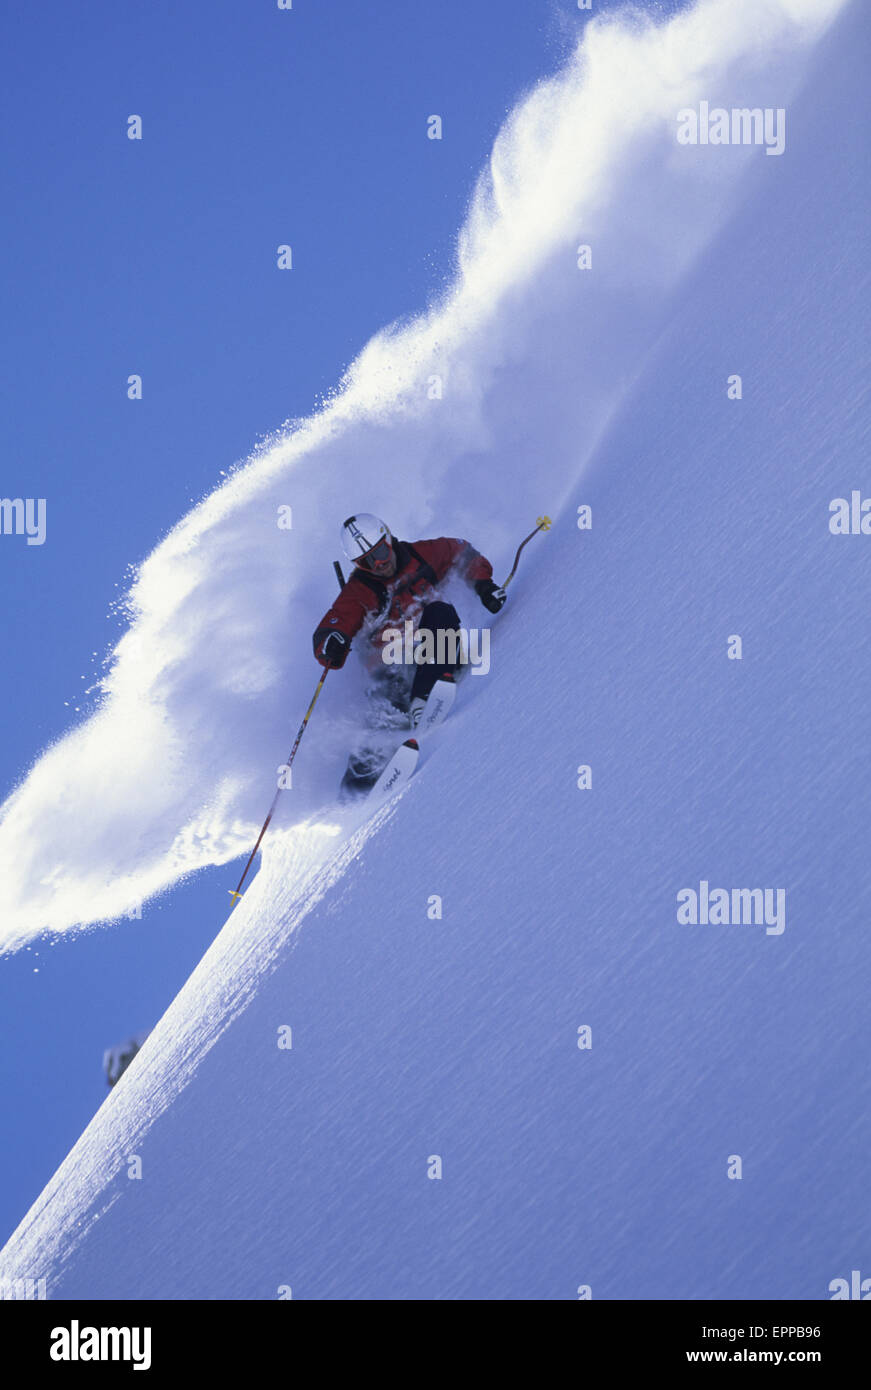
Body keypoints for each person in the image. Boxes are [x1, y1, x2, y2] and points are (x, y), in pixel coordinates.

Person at [313, 514, 506, 729]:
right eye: (367, 562)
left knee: (441, 612)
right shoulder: (359, 591)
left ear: (388, 539)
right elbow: (333, 624)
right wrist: (330, 643)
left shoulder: (422, 555)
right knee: (383, 690)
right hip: (393, 674)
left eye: (380, 552)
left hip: (437, 653)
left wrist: (484, 586)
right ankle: (374, 749)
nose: (379, 564)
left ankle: (424, 699)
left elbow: (463, 553)